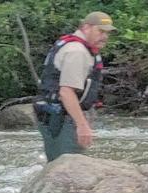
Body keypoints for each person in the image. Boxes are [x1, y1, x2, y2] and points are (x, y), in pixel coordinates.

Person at [34, 11, 114, 162]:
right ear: (86, 28)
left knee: (59, 166)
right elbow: (66, 92)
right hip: (61, 117)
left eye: (107, 33)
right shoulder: (77, 51)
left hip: (53, 114)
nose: (105, 36)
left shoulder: (80, 47)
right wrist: (82, 125)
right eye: (101, 31)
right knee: (69, 168)